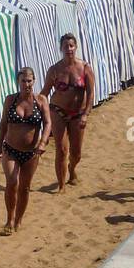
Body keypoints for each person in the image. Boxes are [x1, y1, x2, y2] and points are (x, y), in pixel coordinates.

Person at [0, 67, 51, 235]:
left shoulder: (41, 100)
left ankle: (19, 220)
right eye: (23, 81)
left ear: (34, 81)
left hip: (31, 152)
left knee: (25, 188)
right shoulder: (10, 100)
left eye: (29, 81)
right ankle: (9, 219)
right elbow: (4, 123)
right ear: (18, 82)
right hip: (10, 149)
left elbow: (48, 123)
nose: (26, 84)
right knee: (12, 182)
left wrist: (43, 142)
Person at [41, 32, 95, 191]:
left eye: (71, 46)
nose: (69, 49)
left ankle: (72, 169)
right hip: (58, 112)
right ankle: (61, 185)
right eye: (65, 46)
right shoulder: (54, 70)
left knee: (76, 152)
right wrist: (37, 109)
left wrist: (86, 113)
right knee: (61, 149)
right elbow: (45, 92)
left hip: (78, 114)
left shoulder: (85, 68)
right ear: (61, 48)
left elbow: (91, 93)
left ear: (76, 47)